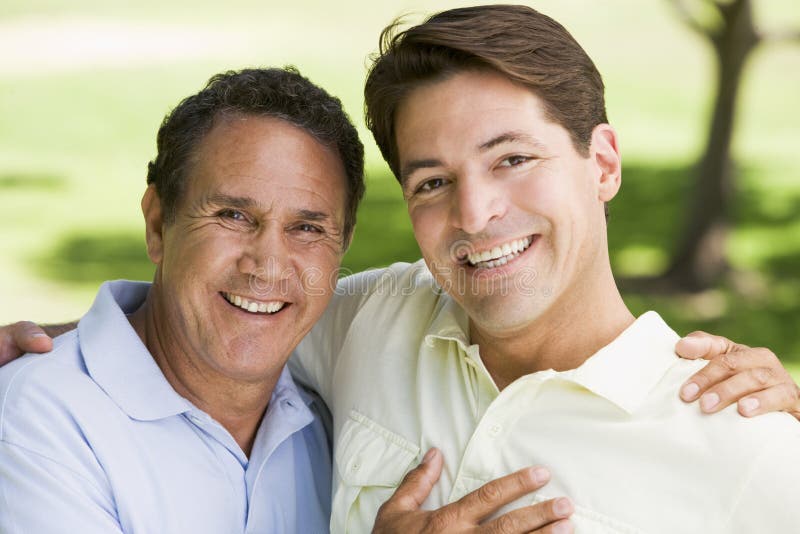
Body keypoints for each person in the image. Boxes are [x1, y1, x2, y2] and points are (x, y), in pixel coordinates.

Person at [2, 6, 800, 534]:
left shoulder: (745, 444)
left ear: (604, 163)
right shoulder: (376, 321)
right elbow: (226, 312)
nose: (475, 212)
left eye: (513, 159)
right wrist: (51, 345)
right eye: (432, 182)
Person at [0, 67, 363, 533]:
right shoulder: (39, 419)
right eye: (233, 215)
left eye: (307, 228)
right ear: (158, 225)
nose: (268, 267)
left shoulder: (336, 413)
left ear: (342, 246)